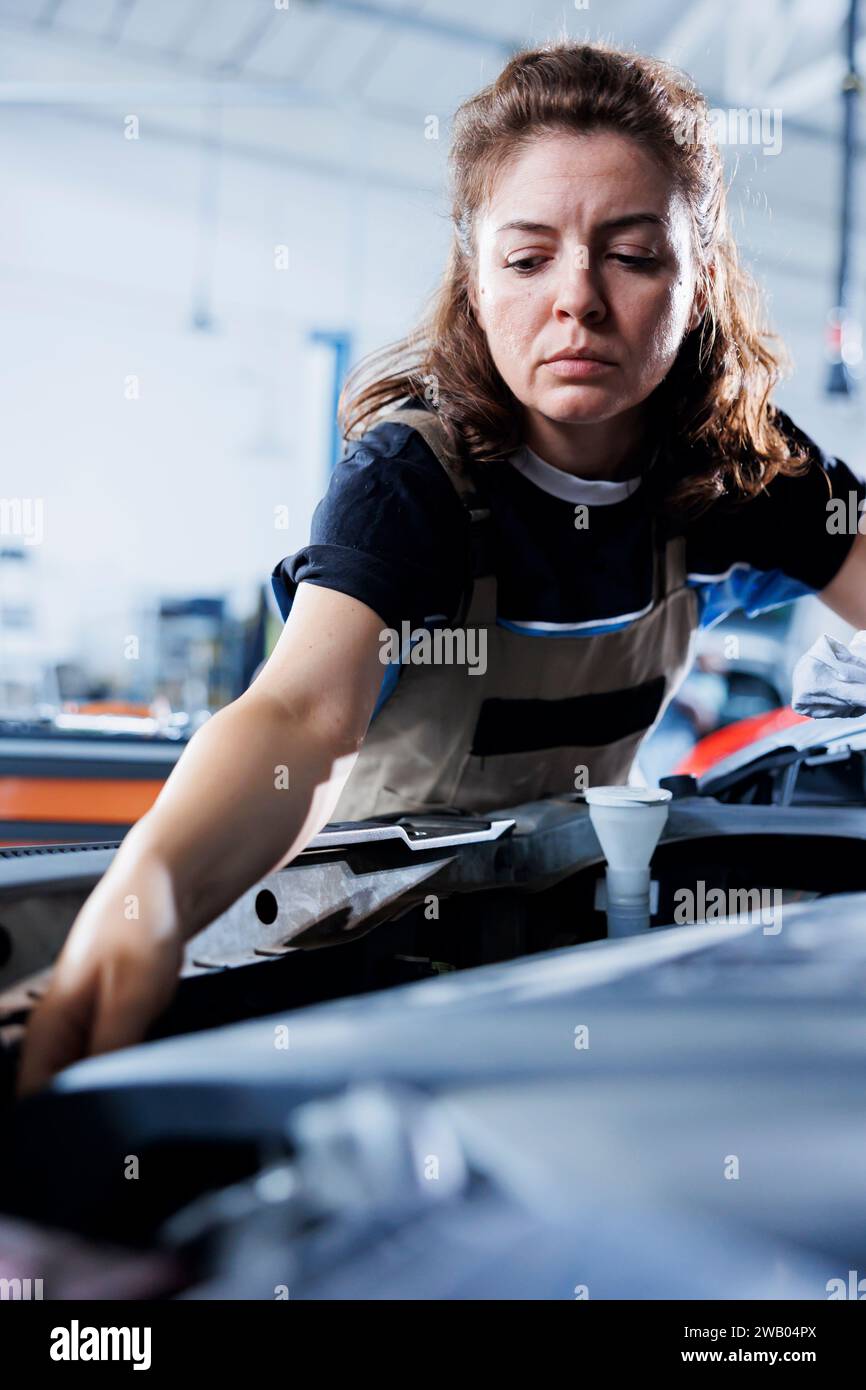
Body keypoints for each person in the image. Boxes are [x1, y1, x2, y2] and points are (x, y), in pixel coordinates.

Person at [18, 39, 866, 1093]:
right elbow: (299, 721)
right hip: (363, 948)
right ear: (472, 278)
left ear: (698, 282)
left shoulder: (735, 466)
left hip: (576, 945)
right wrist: (145, 884)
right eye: (526, 258)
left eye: (633, 255)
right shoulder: (411, 482)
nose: (579, 302)